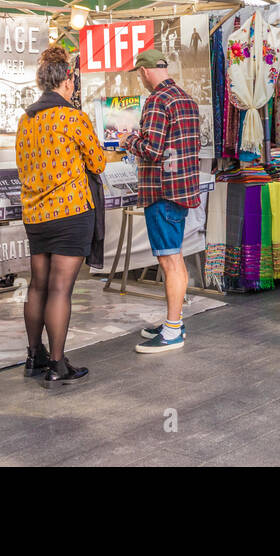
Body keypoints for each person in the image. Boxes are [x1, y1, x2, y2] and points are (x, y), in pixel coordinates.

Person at [15, 45, 107, 386]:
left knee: (37, 286)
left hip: (35, 214)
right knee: (60, 290)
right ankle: (57, 364)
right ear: (67, 82)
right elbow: (97, 162)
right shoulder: (73, 117)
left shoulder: (26, 120)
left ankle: (33, 357)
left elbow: (23, 167)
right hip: (69, 212)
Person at [118, 48, 202, 355]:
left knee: (170, 261)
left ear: (143, 71)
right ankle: (173, 321)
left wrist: (128, 139)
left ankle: (172, 331)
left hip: (162, 191)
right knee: (174, 258)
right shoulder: (186, 99)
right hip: (181, 189)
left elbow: (153, 149)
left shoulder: (156, 101)